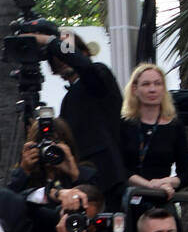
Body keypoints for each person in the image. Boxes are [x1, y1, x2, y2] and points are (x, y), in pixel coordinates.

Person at [20, 30, 125, 209]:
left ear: (82, 53)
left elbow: (84, 66)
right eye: (56, 56)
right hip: (80, 179)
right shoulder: (69, 99)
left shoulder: (99, 75)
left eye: (67, 51)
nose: (62, 58)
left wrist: (48, 40)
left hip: (107, 177)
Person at [120, 63, 188, 200]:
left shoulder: (175, 126)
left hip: (162, 197)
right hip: (129, 199)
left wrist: (165, 182)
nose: (152, 89)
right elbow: (120, 170)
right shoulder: (124, 124)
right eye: (146, 84)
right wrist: (149, 186)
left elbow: (186, 174)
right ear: (135, 89)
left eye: (157, 84)